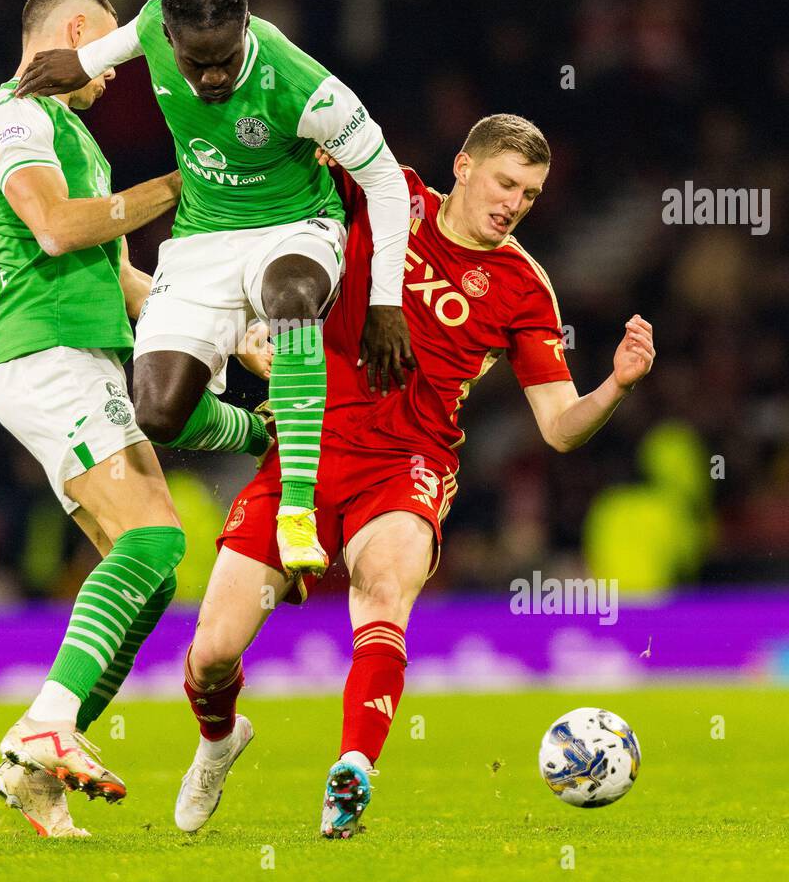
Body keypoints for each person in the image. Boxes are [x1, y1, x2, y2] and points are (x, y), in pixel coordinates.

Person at [172, 114, 656, 838]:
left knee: (384, 589)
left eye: (529, 194)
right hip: (306, 447)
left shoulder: (522, 287)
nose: (514, 204)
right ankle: (218, 740)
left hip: (409, 463)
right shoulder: (385, 194)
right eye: (505, 183)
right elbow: (276, 216)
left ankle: (353, 772)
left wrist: (614, 386)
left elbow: (559, 426)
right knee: (212, 655)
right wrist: (250, 327)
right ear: (463, 166)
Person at [0, 0, 265, 838]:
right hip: (44, 349)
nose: (113, 73)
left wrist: (229, 334)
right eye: (107, 53)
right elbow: (56, 228)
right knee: (155, 538)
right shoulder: (13, 113)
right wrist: (179, 183)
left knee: (152, 573)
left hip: (79, 352)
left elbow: (125, 278)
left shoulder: (75, 137)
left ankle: (36, 768)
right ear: (77, 31)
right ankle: (47, 724)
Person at [14, 0, 414, 576]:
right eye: (196, 63)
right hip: (202, 237)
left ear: (246, 26)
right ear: (170, 39)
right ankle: (265, 432)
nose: (213, 76)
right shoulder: (155, 24)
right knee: (157, 413)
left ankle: (298, 507)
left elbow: (385, 180)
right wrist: (82, 64)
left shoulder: (302, 84)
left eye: (225, 58)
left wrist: (386, 301)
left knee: (291, 297)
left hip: (295, 226)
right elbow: (124, 40)